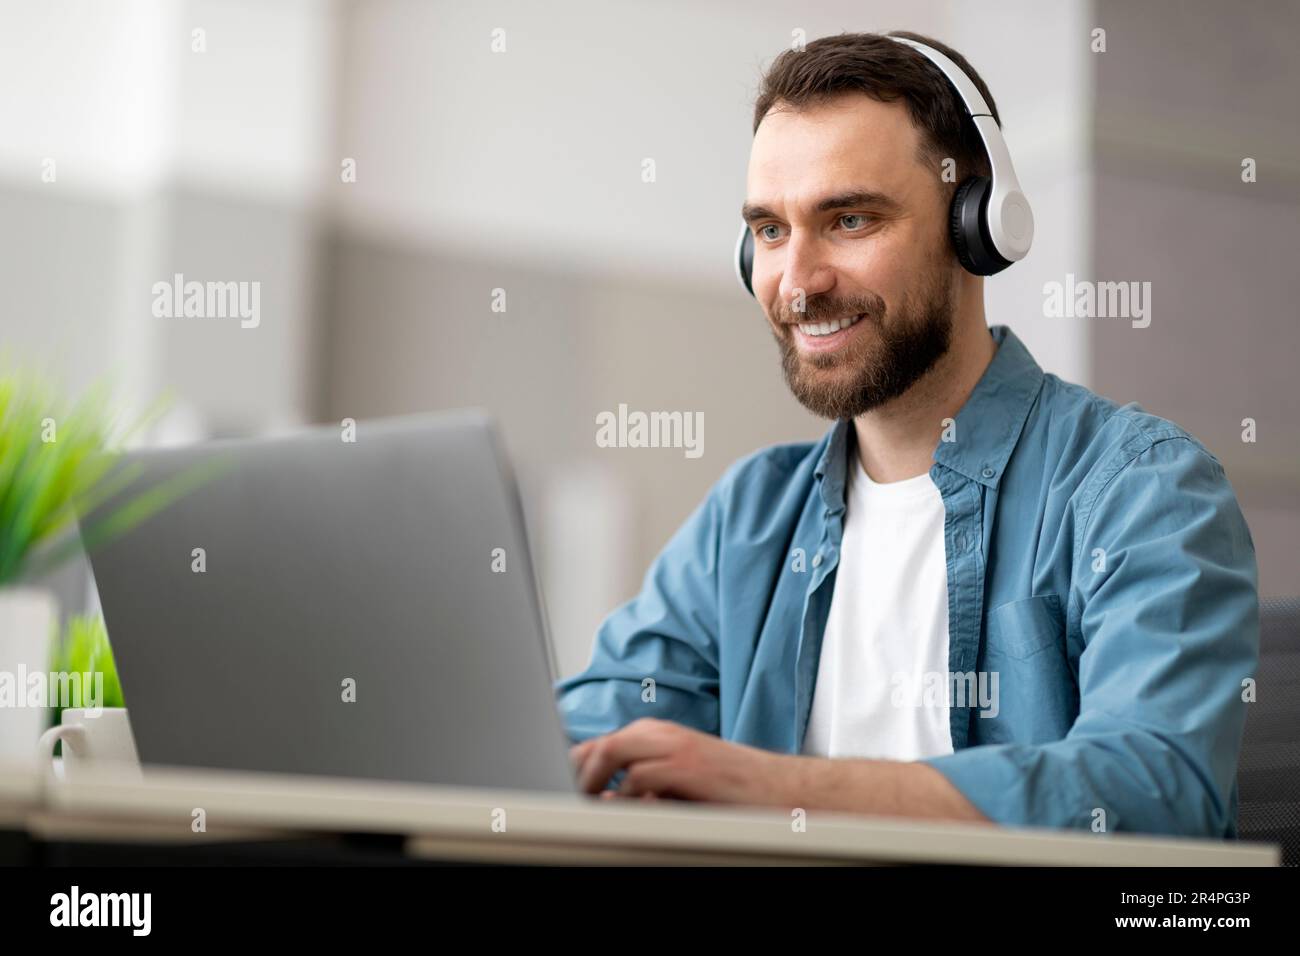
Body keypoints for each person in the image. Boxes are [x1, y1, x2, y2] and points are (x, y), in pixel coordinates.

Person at [557, 31, 1258, 836]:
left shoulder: (1144, 488)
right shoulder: (748, 518)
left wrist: (774, 787)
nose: (798, 283)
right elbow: (584, 745)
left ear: (978, 225)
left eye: (850, 219)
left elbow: (1154, 792)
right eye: (771, 231)